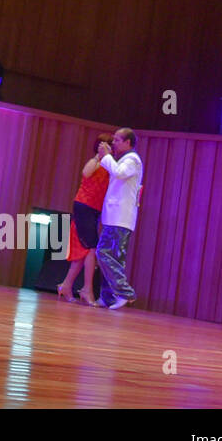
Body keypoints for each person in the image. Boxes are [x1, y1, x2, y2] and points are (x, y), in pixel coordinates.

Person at [57, 133, 112, 306]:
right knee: (91, 248)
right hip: (84, 207)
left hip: (94, 210)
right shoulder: (95, 162)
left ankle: (66, 285)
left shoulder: (111, 165)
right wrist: (99, 155)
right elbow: (86, 172)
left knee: (84, 251)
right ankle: (87, 289)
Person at [95, 128, 143, 310]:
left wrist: (106, 156)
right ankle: (108, 297)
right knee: (113, 258)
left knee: (104, 253)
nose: (113, 143)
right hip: (115, 217)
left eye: (117, 140)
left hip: (121, 218)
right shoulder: (125, 159)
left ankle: (124, 292)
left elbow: (119, 173)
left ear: (128, 142)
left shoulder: (133, 160)